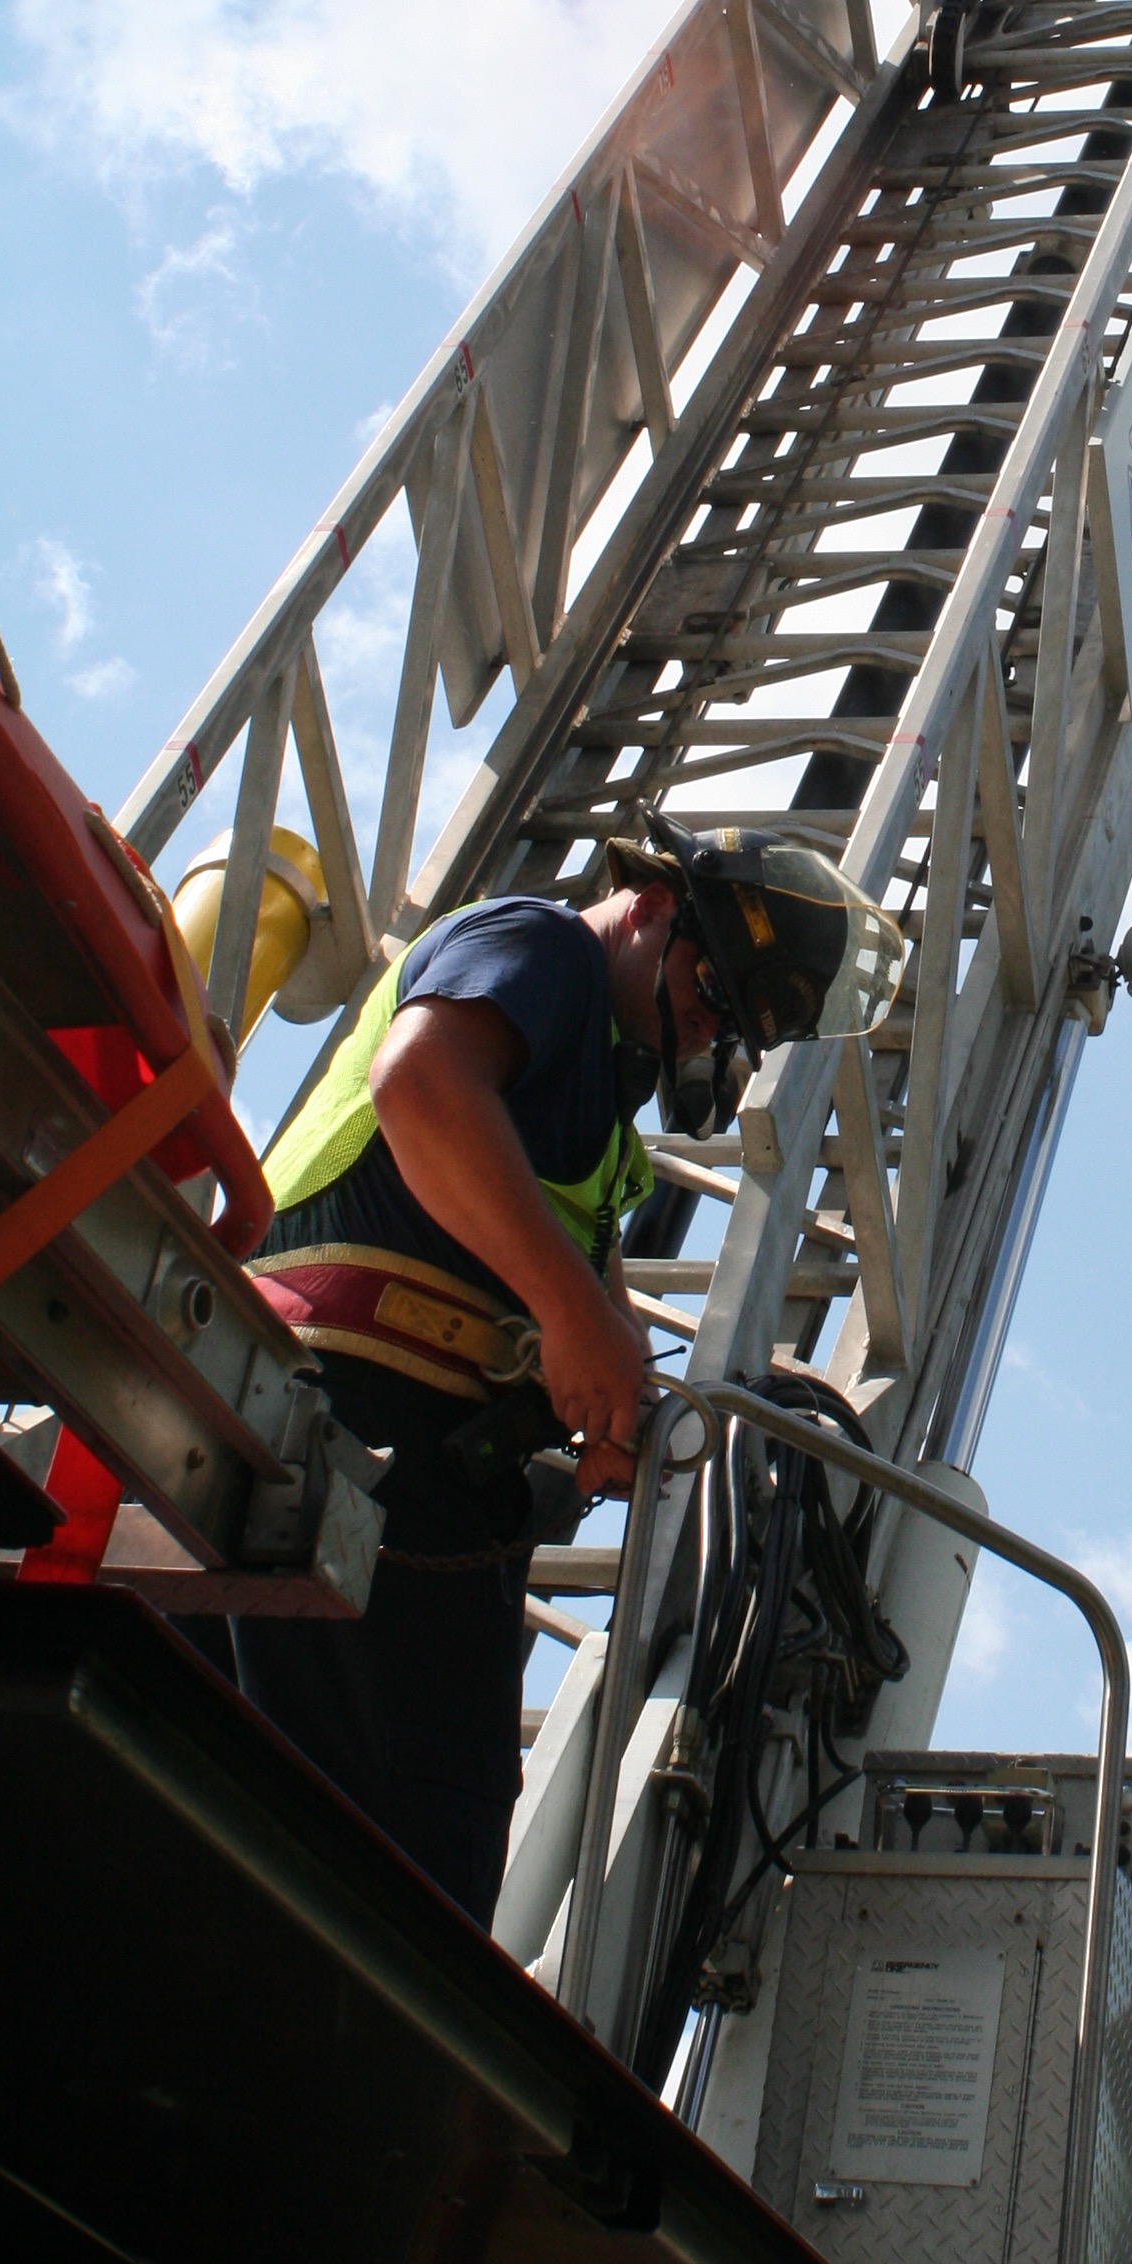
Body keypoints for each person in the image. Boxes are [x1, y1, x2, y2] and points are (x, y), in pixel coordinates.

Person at [236, 818, 905, 1926]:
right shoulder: (540, 947)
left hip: (426, 1486)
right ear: (649, 905)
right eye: (706, 991)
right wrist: (568, 1314)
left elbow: (584, 1317)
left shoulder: (604, 1143)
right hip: (331, 1419)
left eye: (727, 1025)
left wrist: (610, 1385)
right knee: (336, 1841)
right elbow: (423, 1084)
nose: (706, 1029)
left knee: (426, 1840)